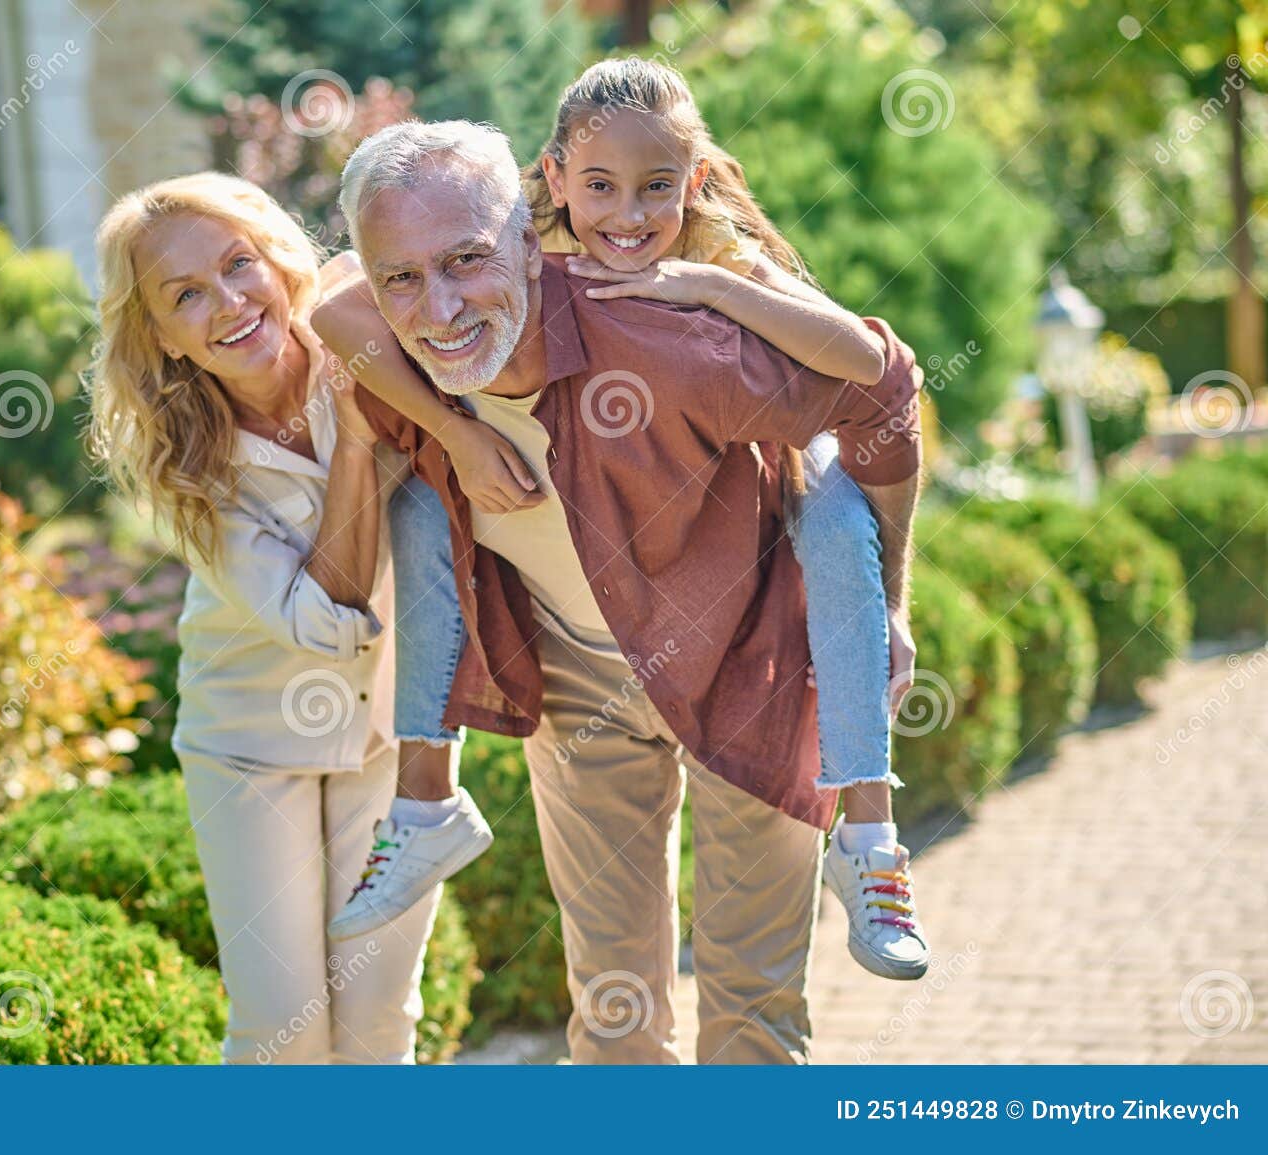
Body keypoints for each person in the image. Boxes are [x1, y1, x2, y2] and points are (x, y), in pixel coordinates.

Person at [317, 58, 928, 985]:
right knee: (612, 1001)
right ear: (555, 185)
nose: (437, 308)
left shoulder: (682, 316)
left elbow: (879, 382)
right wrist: (455, 433)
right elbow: (338, 311)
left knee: (751, 998)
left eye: (466, 262)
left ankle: (871, 825)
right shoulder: (417, 340)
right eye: (403, 277)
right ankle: (423, 798)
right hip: (580, 683)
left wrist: (891, 604)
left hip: (742, 655)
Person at [84, 172, 438, 1063]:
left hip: (395, 730)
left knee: (378, 1020)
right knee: (282, 1030)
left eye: (240, 265)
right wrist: (359, 439)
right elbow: (324, 622)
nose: (230, 303)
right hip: (247, 746)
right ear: (160, 337)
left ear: (280, 261)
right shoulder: (182, 463)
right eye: (186, 295)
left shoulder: (366, 337)